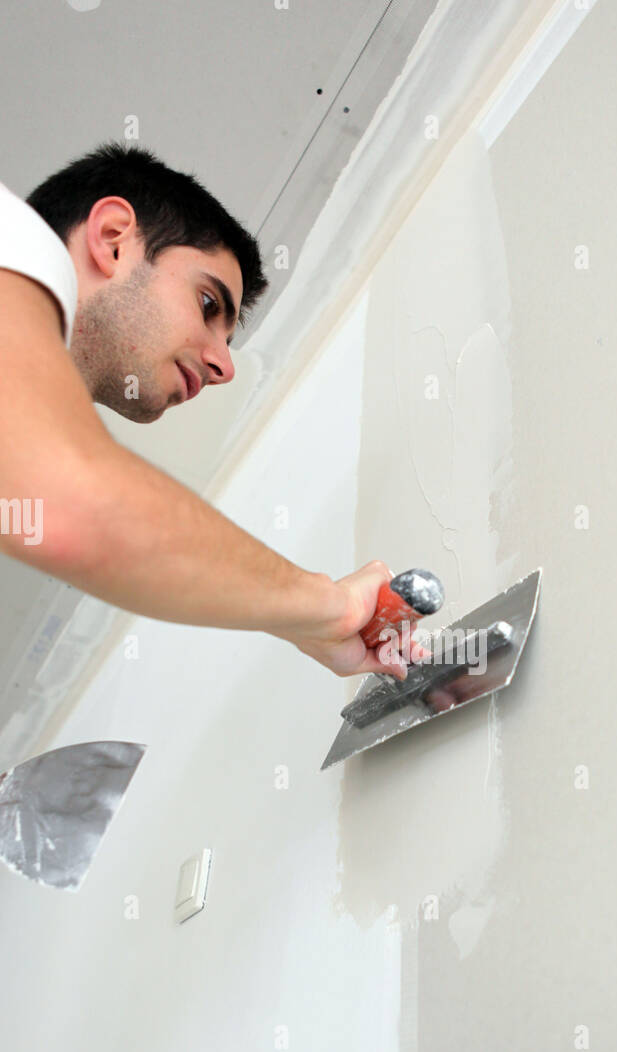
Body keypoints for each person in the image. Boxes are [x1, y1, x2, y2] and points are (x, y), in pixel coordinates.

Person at [0, 141, 425, 679]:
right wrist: (330, 607)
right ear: (112, 239)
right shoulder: (15, 243)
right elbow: (76, 505)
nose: (225, 366)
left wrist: (300, 621)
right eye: (208, 304)